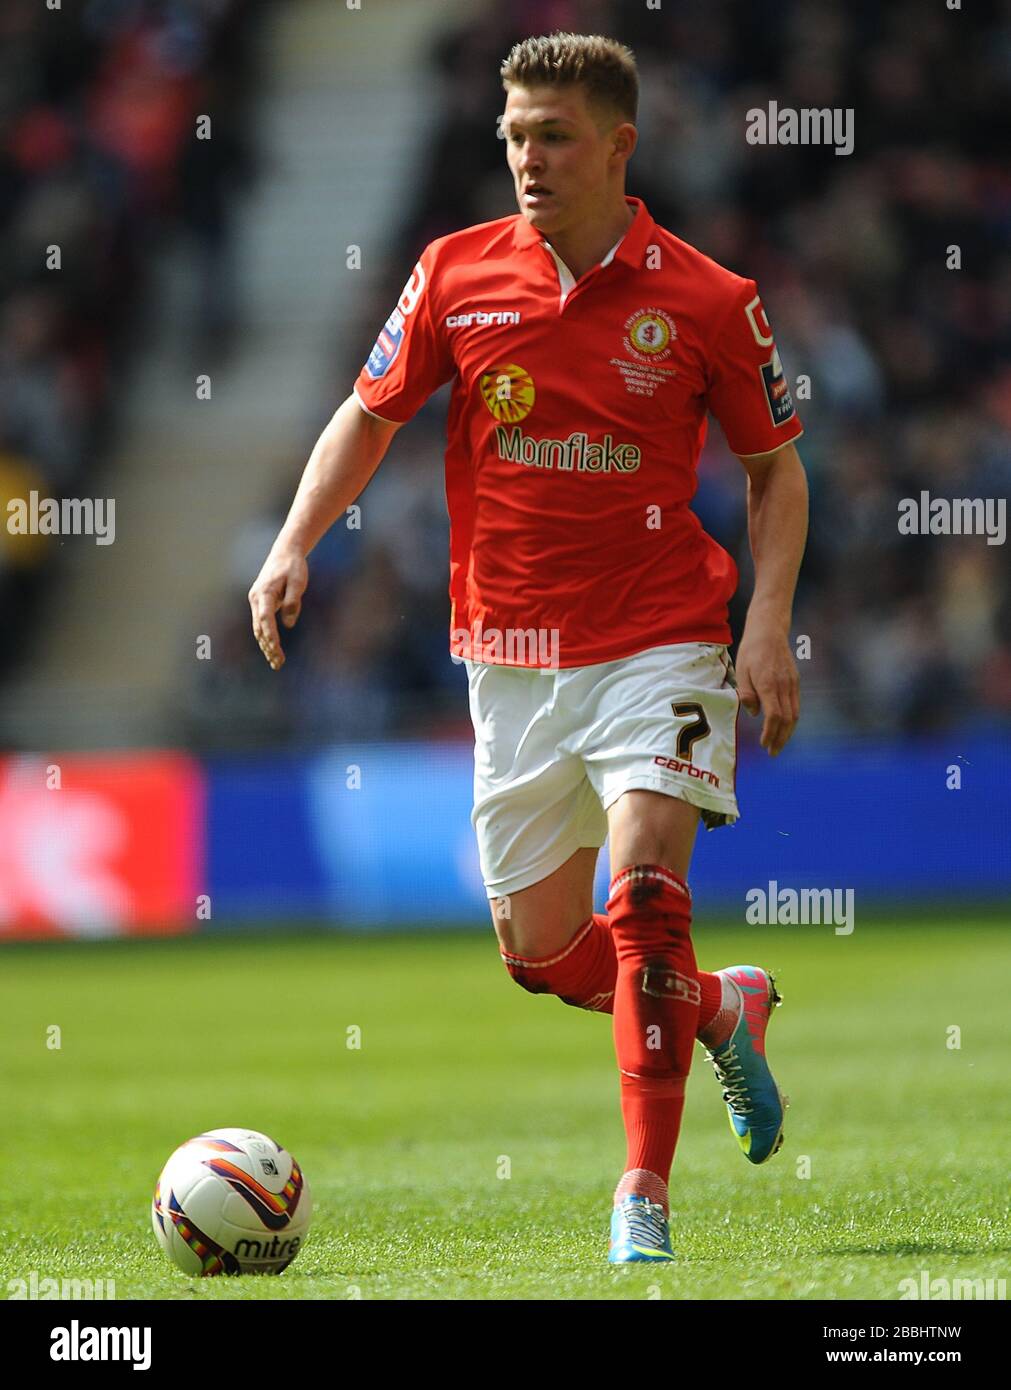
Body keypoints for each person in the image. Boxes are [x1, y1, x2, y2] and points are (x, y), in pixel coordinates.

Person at [248, 31, 808, 1263]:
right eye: (513, 136)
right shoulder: (455, 274)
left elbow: (775, 471)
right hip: (508, 656)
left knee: (649, 897)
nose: (527, 158)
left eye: (553, 135)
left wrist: (765, 621)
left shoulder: (708, 301)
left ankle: (642, 1200)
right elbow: (367, 410)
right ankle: (723, 1005)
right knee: (546, 955)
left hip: (662, 641)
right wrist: (295, 541)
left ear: (620, 146)